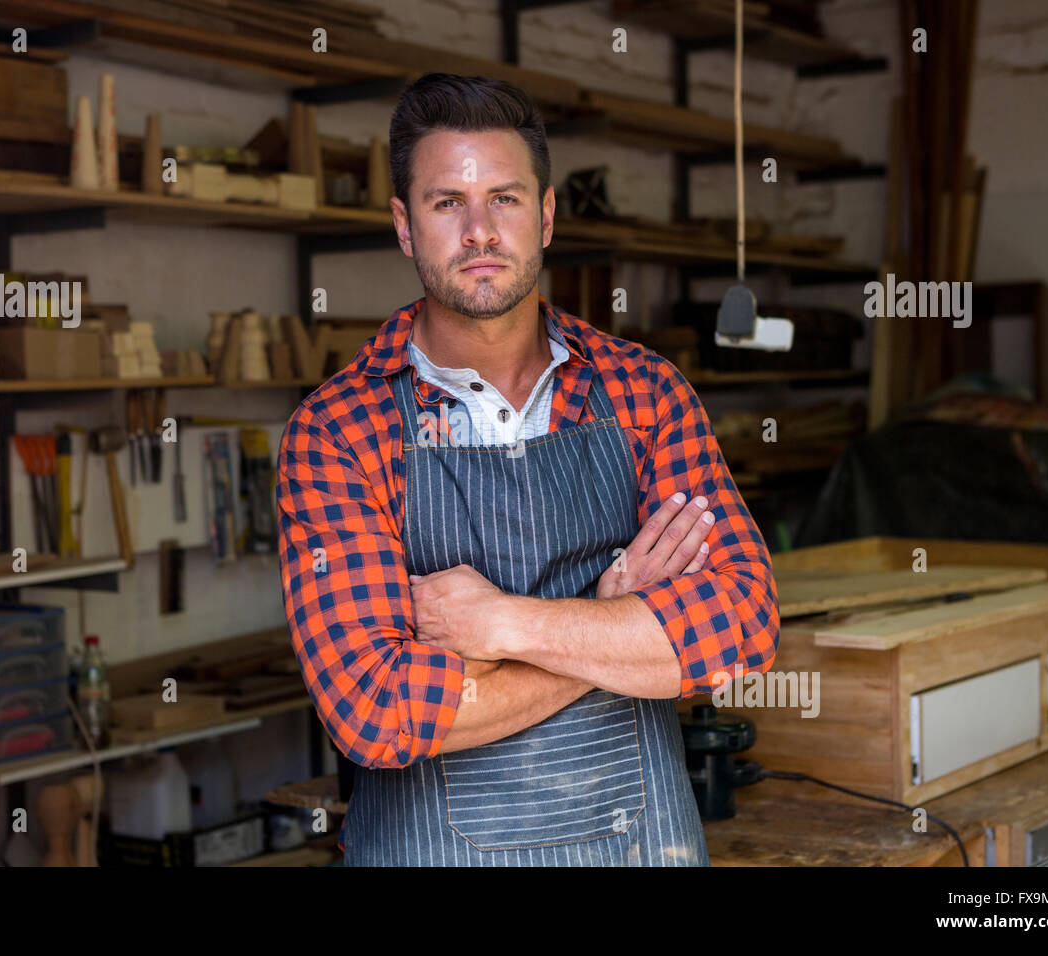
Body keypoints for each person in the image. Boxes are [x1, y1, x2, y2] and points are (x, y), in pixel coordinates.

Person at [277, 73, 779, 866]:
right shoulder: (340, 432)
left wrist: (502, 624)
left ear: (545, 216)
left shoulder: (643, 393)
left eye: (505, 199)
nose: (480, 231)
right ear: (405, 226)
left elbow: (738, 628)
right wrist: (614, 616)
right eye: (448, 203)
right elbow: (376, 714)